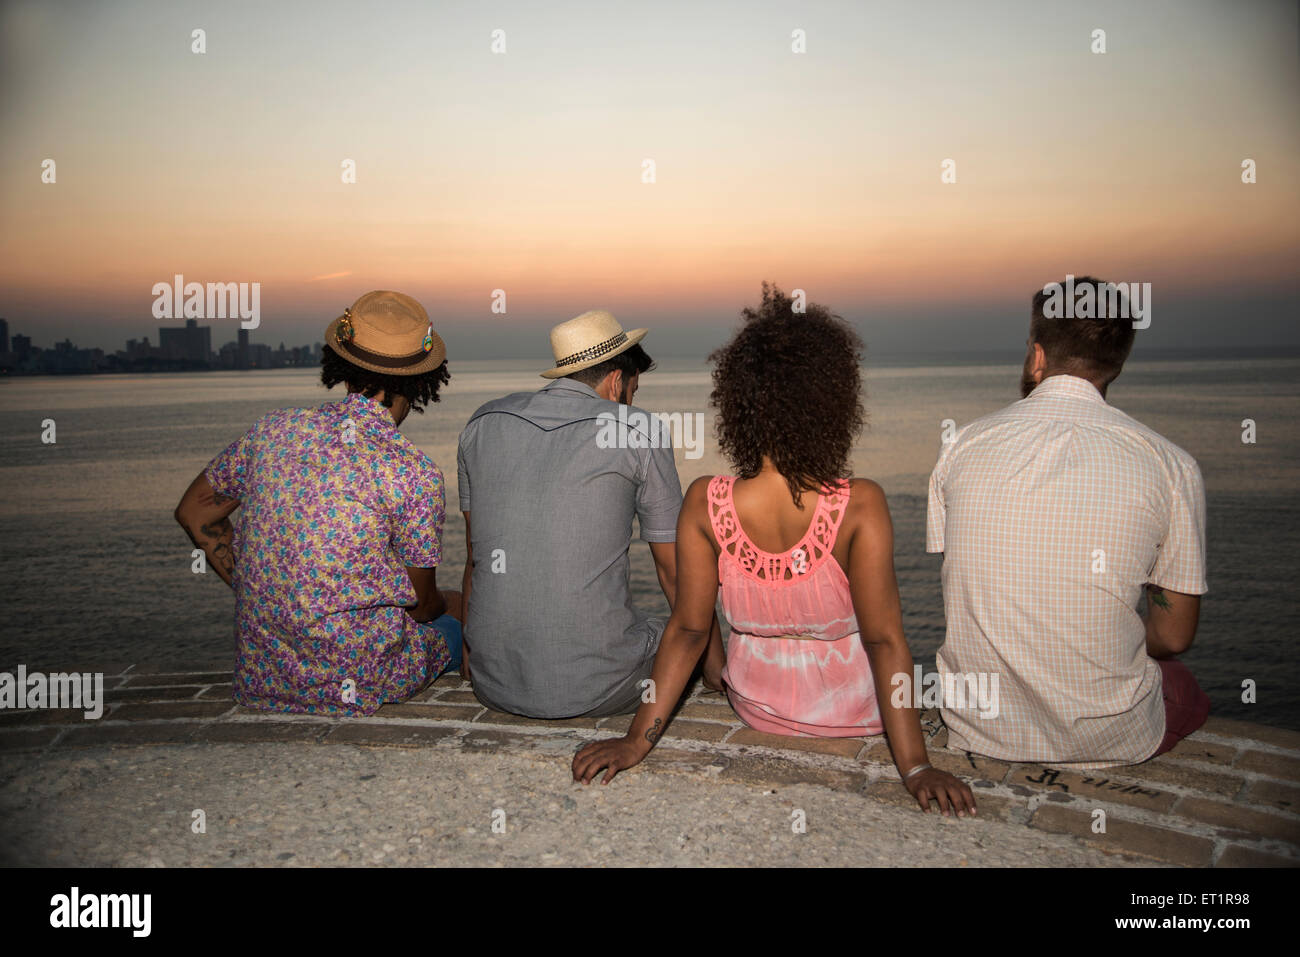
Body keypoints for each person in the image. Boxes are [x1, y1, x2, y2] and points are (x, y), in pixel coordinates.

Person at [573, 285, 976, 816]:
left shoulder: (705, 502)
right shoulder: (860, 505)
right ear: (832, 402)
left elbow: (690, 631)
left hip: (757, 708)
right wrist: (917, 767)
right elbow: (884, 642)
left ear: (739, 404)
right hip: (852, 714)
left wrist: (635, 742)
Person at [926, 276, 1209, 768]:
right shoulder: (1172, 465)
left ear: (1037, 356)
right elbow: (1174, 636)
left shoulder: (962, 446)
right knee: (1184, 686)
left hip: (978, 723)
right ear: (1118, 364)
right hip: (1109, 738)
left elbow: (971, 579)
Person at [174, 290, 462, 715]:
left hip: (263, 673)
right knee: (459, 613)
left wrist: (258, 587)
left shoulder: (273, 432)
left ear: (343, 366)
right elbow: (420, 606)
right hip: (363, 677)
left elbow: (194, 512)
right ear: (422, 381)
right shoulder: (411, 471)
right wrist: (451, 604)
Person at [457, 309, 710, 718]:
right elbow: (674, 571)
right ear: (616, 381)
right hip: (598, 690)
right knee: (672, 633)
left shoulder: (484, 423)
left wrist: (475, 656)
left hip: (494, 684)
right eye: (634, 390)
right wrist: (715, 670)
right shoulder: (636, 429)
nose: (632, 401)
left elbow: (475, 555)